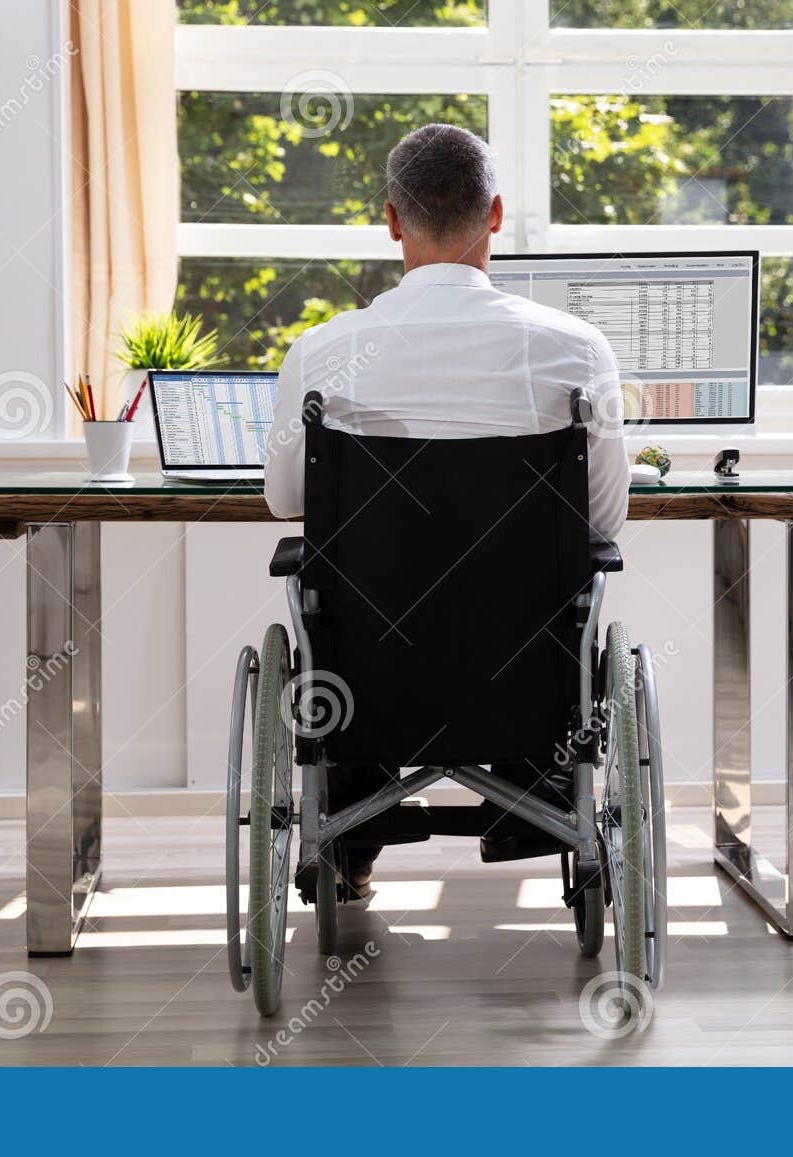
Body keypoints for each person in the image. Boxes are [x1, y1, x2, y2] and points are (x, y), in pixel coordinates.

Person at [264, 123, 630, 894]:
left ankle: (355, 819)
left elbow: (286, 501)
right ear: (495, 214)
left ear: (392, 220)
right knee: (557, 604)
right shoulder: (576, 349)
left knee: (340, 607)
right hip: (526, 678)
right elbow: (602, 519)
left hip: (368, 684)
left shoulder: (324, 353)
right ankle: (539, 796)